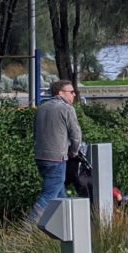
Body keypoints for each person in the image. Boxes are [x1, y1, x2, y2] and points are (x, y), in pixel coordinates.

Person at [32, 78, 84, 225]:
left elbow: (35, 132)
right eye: (72, 91)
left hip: (40, 156)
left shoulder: (42, 108)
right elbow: (76, 135)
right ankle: (27, 230)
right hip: (57, 158)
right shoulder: (67, 109)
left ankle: (67, 226)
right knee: (49, 194)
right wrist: (74, 152)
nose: (74, 95)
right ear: (60, 92)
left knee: (60, 193)